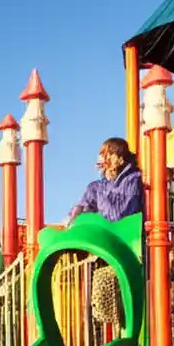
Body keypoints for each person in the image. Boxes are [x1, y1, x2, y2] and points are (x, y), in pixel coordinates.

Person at [67, 138, 144, 329]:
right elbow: (84, 207)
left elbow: (117, 215)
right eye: (102, 154)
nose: (102, 158)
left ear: (119, 158)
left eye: (106, 154)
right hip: (109, 249)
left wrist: (100, 190)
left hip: (130, 247)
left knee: (120, 294)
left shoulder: (133, 180)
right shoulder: (99, 185)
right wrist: (74, 217)